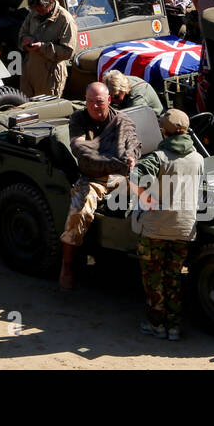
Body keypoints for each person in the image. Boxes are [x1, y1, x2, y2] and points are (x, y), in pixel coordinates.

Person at [129, 108, 203, 340]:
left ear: (164, 132)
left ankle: (156, 324)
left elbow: (134, 178)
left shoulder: (158, 158)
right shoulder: (198, 158)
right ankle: (173, 327)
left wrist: (144, 198)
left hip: (155, 228)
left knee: (153, 278)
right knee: (173, 277)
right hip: (184, 227)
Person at [59, 82, 141, 289]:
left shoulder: (121, 120)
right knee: (79, 210)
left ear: (109, 101)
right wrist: (115, 161)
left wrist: (131, 158)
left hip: (122, 176)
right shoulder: (78, 119)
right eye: (90, 102)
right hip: (93, 177)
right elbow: (81, 150)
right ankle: (67, 266)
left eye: (99, 102)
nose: (95, 106)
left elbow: (133, 143)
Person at [18, 0, 77, 99]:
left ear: (50, 3)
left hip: (50, 75)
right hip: (29, 70)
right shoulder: (33, 13)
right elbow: (22, 32)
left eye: (40, 9)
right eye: (35, 9)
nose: (38, 12)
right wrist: (25, 40)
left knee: (45, 110)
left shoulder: (65, 20)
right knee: (25, 108)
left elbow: (68, 52)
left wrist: (42, 47)